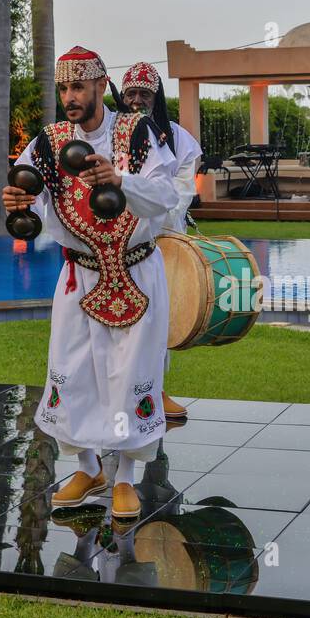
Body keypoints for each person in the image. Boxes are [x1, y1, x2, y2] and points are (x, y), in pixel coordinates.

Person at [4, 46, 178, 519]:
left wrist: (121, 179)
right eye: (63, 88)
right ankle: (87, 467)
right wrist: (18, 200)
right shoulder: (48, 141)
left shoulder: (137, 132)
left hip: (135, 270)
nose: (70, 97)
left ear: (102, 85)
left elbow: (166, 196)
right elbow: (31, 196)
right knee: (73, 370)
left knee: (129, 374)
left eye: (78, 86)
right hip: (79, 273)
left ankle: (122, 477)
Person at [121, 60, 204, 422]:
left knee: (157, 317)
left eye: (144, 94)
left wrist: (149, 217)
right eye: (131, 94)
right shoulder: (110, 134)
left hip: (161, 240)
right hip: (114, 242)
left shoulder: (178, 139)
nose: (137, 100)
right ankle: (119, 393)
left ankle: (154, 390)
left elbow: (181, 191)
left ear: (156, 98)